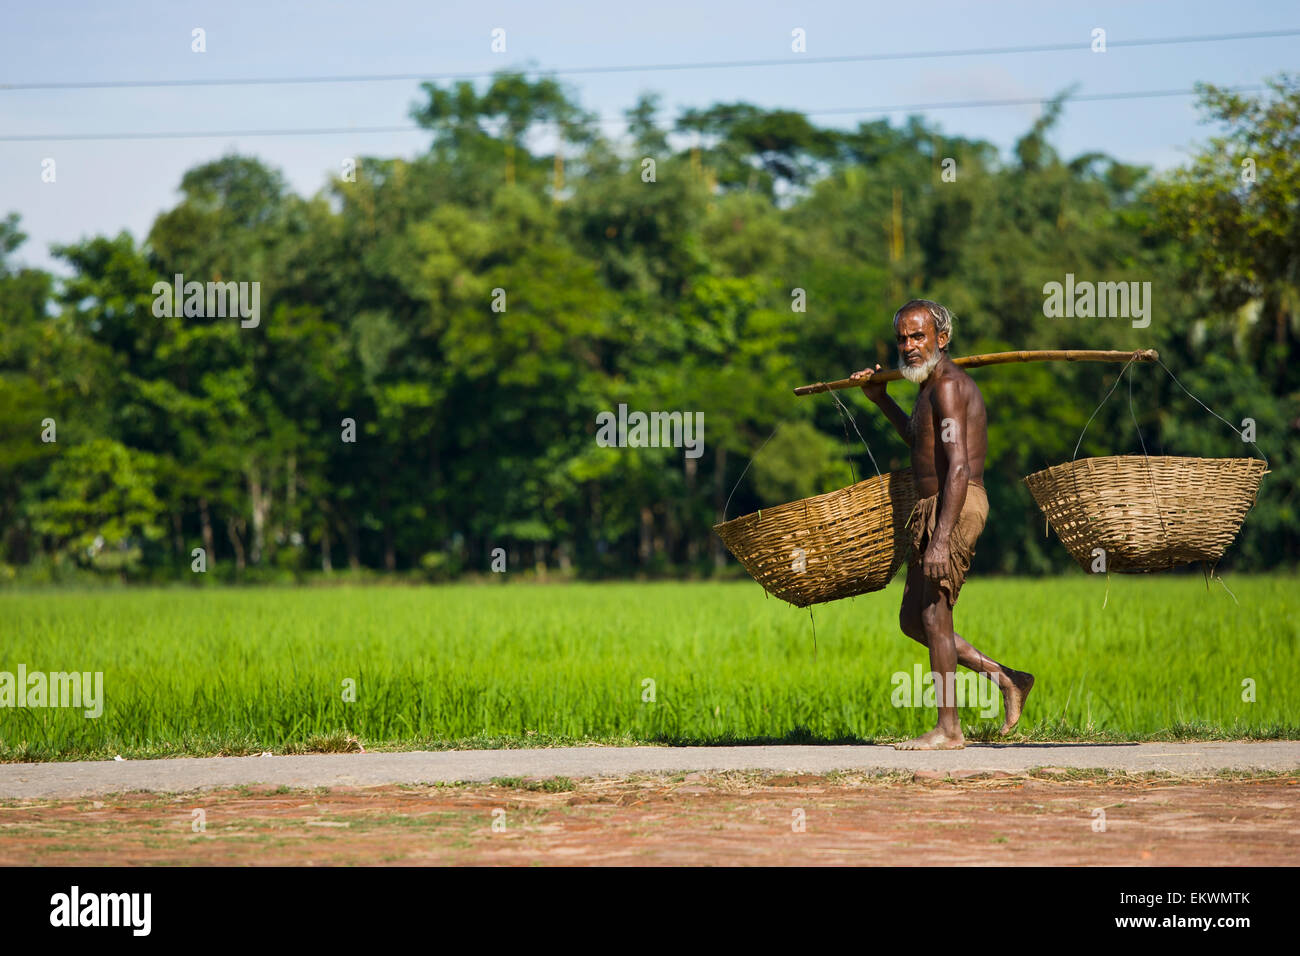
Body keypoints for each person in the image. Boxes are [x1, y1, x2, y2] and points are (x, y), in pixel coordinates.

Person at [851, 299, 1034, 750]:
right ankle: (1007, 678)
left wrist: (941, 539)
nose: (909, 346)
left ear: (942, 339)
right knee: (915, 619)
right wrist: (880, 400)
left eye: (919, 337)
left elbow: (958, 468)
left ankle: (949, 729)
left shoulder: (950, 386)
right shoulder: (928, 388)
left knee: (935, 614)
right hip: (935, 505)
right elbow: (919, 441)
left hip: (957, 503)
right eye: (902, 338)